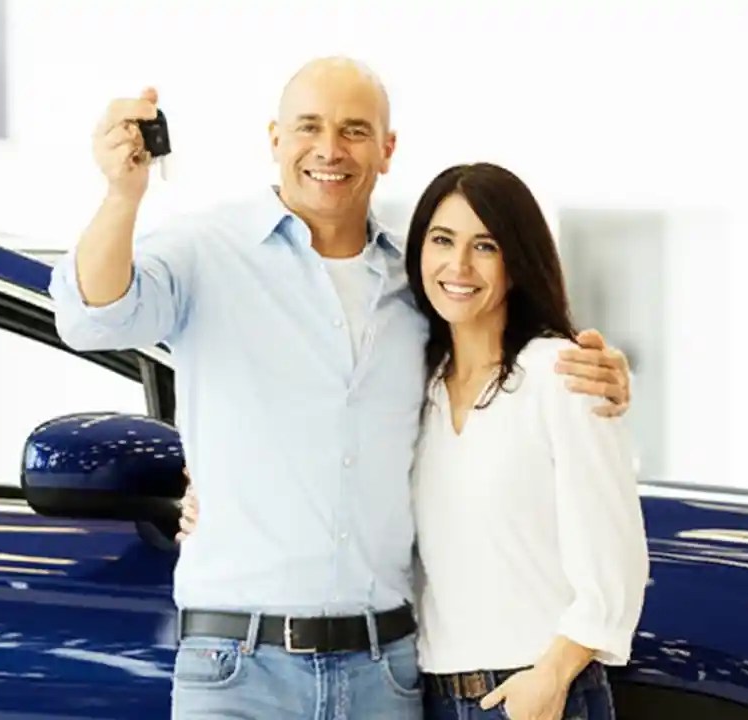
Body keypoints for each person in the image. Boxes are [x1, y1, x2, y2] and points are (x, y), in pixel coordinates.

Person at [49, 56, 633, 719]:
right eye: (309, 126)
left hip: (385, 672)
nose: (330, 149)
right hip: (238, 668)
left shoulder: (420, 285)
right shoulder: (206, 250)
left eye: (355, 130)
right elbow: (92, 318)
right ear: (275, 138)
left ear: (387, 149)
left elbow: (495, 373)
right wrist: (122, 196)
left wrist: (593, 373)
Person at [177, 162, 649, 720]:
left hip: (535, 693)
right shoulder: (417, 387)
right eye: (442, 240)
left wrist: (550, 677)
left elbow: (615, 556)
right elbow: (343, 473)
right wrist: (220, 500)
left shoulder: (561, 374)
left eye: (486, 246)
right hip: (430, 695)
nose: (459, 265)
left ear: (518, 262)